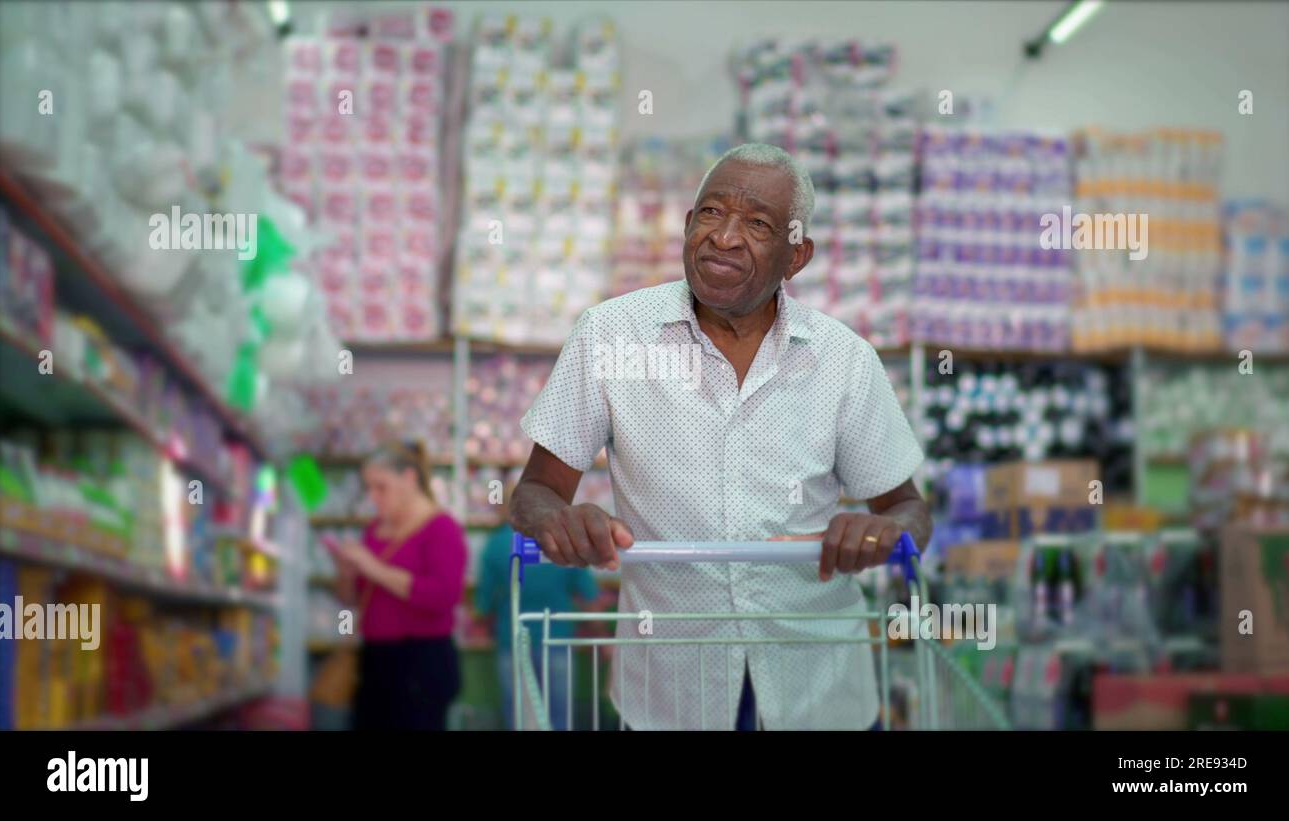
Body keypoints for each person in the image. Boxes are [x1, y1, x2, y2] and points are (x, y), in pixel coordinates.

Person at [509, 143, 933, 731]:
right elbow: (534, 492)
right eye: (711, 213)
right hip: (670, 695)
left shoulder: (844, 360)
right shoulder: (610, 335)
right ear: (687, 226)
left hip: (818, 691)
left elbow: (909, 509)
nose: (725, 237)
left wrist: (885, 530)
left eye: (757, 223)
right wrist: (558, 518)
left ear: (797, 256)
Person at [333, 440, 467, 730]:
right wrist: (345, 572)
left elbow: (443, 597)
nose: (374, 497)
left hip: (421, 662)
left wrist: (373, 567)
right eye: (368, 488)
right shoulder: (373, 530)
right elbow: (352, 599)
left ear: (409, 478)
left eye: (381, 487)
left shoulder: (442, 528)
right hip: (374, 658)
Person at [474, 518, 600, 730]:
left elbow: (484, 605)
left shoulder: (496, 544)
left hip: (511, 640)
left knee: (520, 716)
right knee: (560, 716)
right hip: (557, 639)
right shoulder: (564, 542)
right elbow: (588, 596)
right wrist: (600, 633)